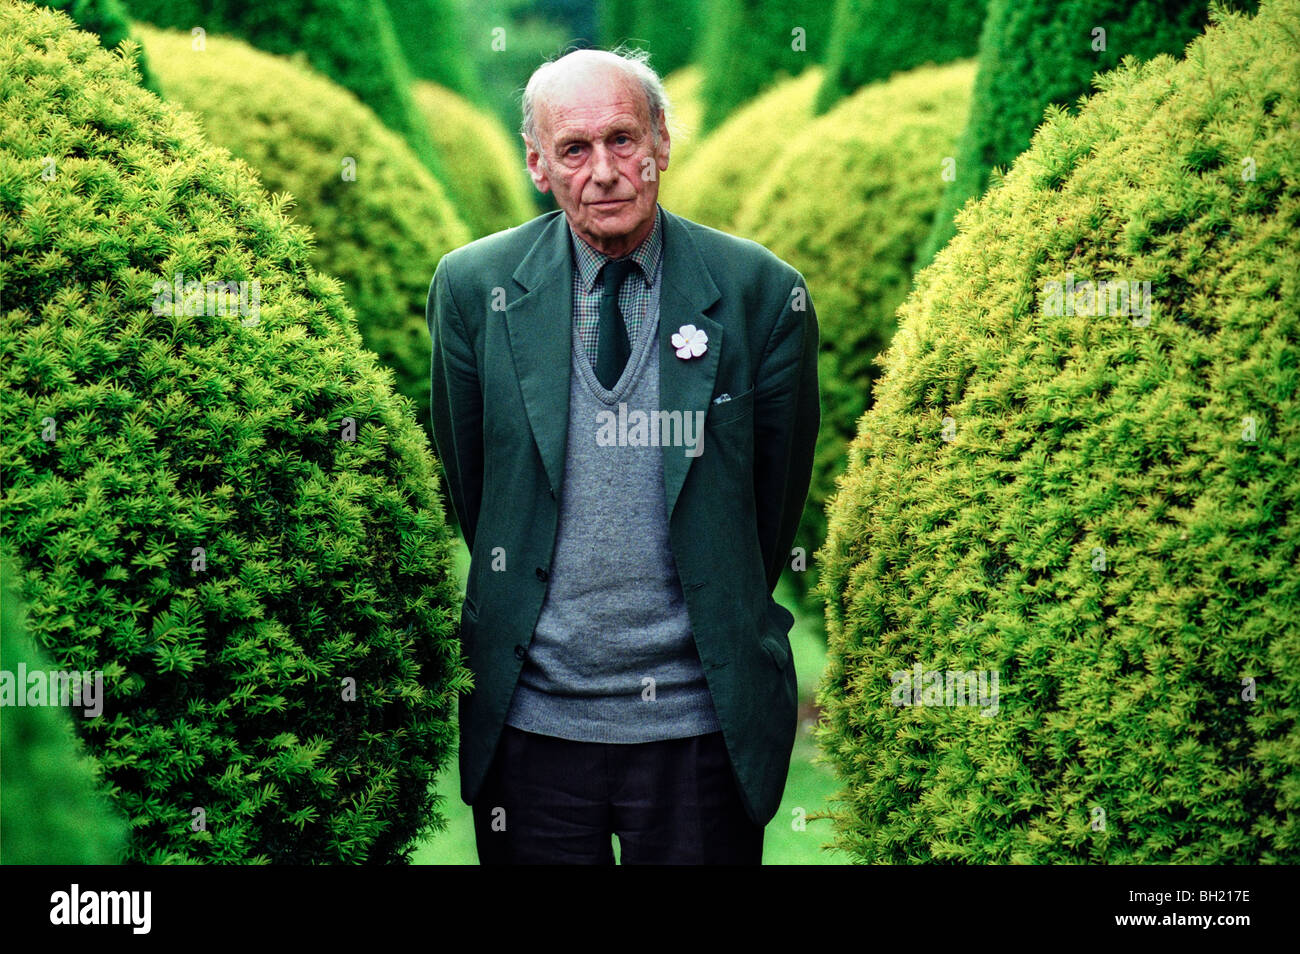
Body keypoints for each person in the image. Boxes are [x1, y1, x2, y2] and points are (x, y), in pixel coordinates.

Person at [426, 46, 819, 864]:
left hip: (698, 731)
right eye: (573, 149)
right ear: (537, 164)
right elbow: (476, 487)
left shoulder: (758, 294)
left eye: (623, 140)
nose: (603, 170)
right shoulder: (473, 289)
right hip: (532, 732)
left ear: (662, 143)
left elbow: (770, 510)